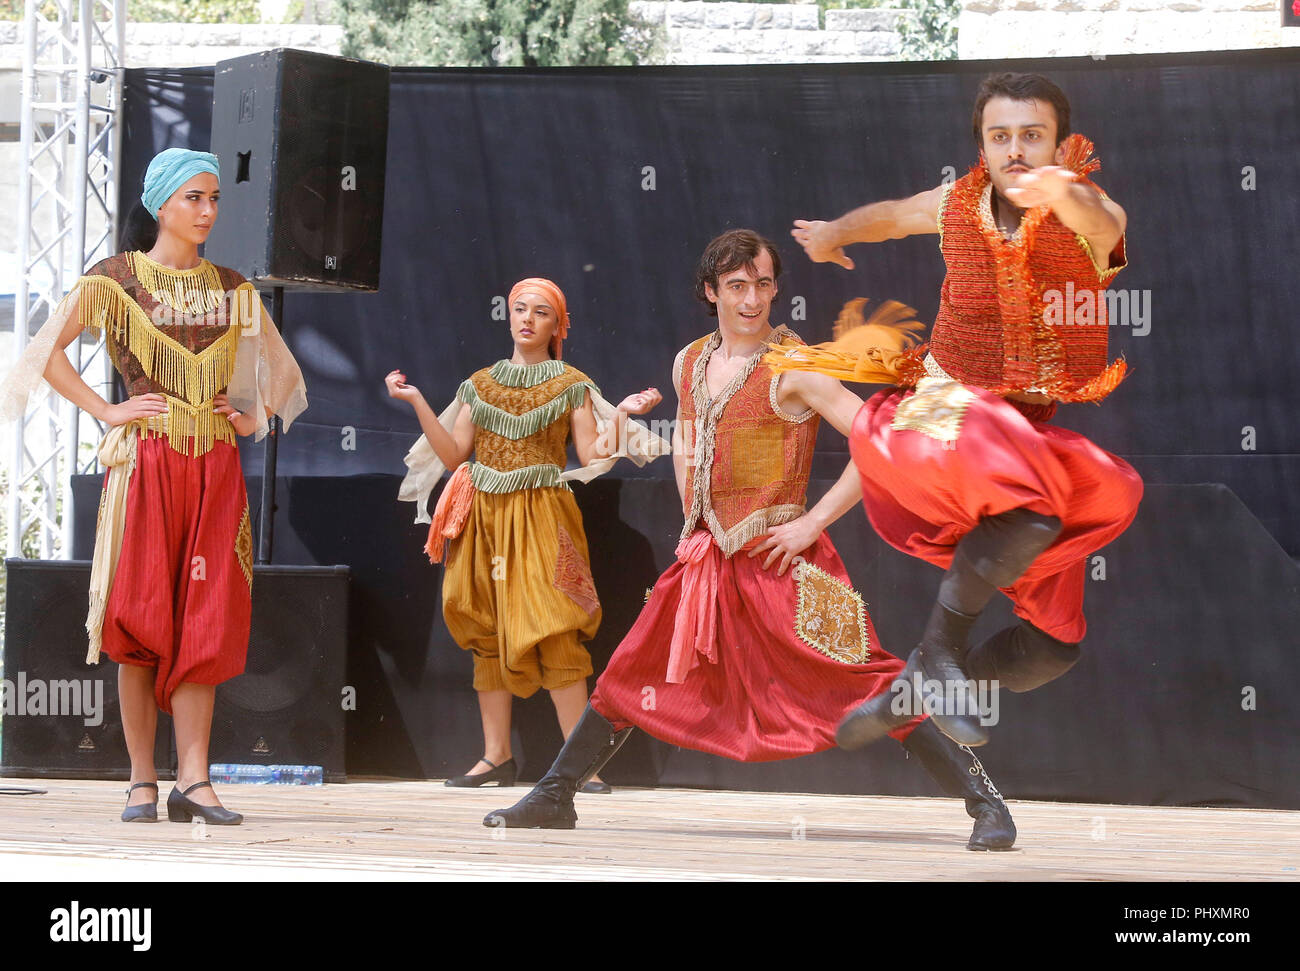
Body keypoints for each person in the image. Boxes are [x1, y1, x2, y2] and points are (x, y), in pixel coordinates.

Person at [483, 230, 1017, 851]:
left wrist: (813, 522)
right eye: (737, 286)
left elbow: (880, 443)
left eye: (763, 285)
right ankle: (556, 795)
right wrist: (693, 522)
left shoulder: (796, 365)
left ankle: (985, 801)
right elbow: (687, 438)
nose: (752, 299)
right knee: (631, 673)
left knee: (871, 683)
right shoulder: (689, 362)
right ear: (711, 291)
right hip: (708, 559)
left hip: (779, 560)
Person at [780, 72, 1144, 748]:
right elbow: (888, 217)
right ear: (981, 143)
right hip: (935, 420)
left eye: (1032, 136)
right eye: (999, 136)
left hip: (1018, 446)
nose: (1015, 150)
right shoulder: (956, 203)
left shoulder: (1086, 216)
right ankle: (939, 652)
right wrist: (833, 233)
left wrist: (1068, 193)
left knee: (1053, 643)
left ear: (1060, 146)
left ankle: (925, 679)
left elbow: (1107, 223)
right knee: (1030, 499)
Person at [0, 147, 308, 824]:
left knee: (206, 617)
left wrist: (249, 415)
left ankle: (193, 780)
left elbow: (272, 378)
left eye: (214, 198)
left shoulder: (232, 287)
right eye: (194, 198)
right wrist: (107, 409)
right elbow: (44, 352)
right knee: (139, 617)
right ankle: (142, 778)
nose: (207, 210)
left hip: (214, 466)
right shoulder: (113, 280)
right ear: (160, 203)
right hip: (146, 461)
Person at [387, 278, 667, 791]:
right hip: (483, 518)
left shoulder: (570, 384)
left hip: (542, 516)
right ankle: (496, 757)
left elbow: (591, 458)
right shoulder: (480, 384)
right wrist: (417, 401)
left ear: (558, 326)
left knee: (557, 625)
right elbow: (453, 457)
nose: (527, 319)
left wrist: (622, 414)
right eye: (519, 309)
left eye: (541, 312)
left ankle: (579, 765)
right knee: (485, 628)